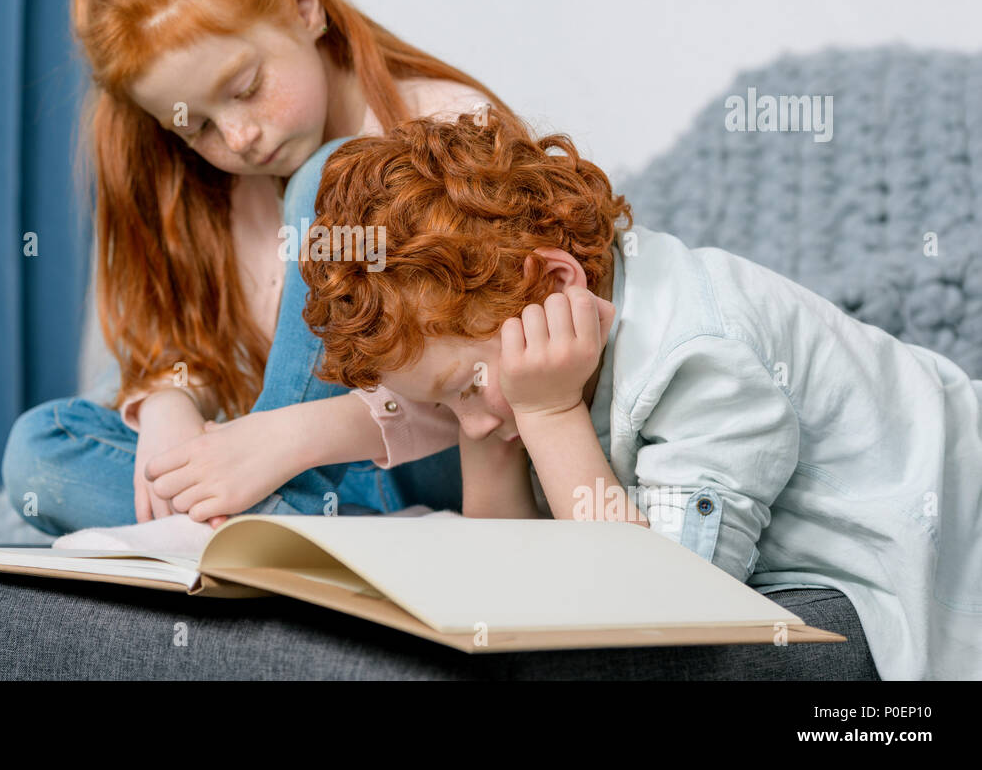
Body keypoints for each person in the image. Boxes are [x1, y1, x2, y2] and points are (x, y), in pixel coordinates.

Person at [261, 105, 979, 680]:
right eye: (444, 404)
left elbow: (666, 606)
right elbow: (503, 557)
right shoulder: (536, 349)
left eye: (467, 386)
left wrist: (547, 411)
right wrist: (486, 432)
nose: (469, 417)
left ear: (555, 285)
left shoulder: (702, 355)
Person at [2, 0, 511, 534]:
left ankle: (269, 523)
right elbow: (197, 350)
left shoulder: (454, 127)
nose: (239, 137)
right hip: (285, 480)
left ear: (305, 8)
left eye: (244, 89)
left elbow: (499, 380)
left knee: (331, 179)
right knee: (41, 449)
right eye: (198, 128)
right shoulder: (218, 191)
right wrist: (170, 405)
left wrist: (288, 439)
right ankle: (297, 533)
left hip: (446, 466)